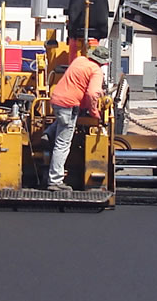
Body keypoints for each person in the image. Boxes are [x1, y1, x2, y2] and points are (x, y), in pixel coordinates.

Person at [46, 45, 110, 192]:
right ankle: (55, 181)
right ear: (104, 62)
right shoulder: (96, 71)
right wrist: (94, 112)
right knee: (62, 144)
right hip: (68, 105)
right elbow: (92, 94)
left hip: (56, 100)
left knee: (62, 121)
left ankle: (48, 133)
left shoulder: (79, 60)